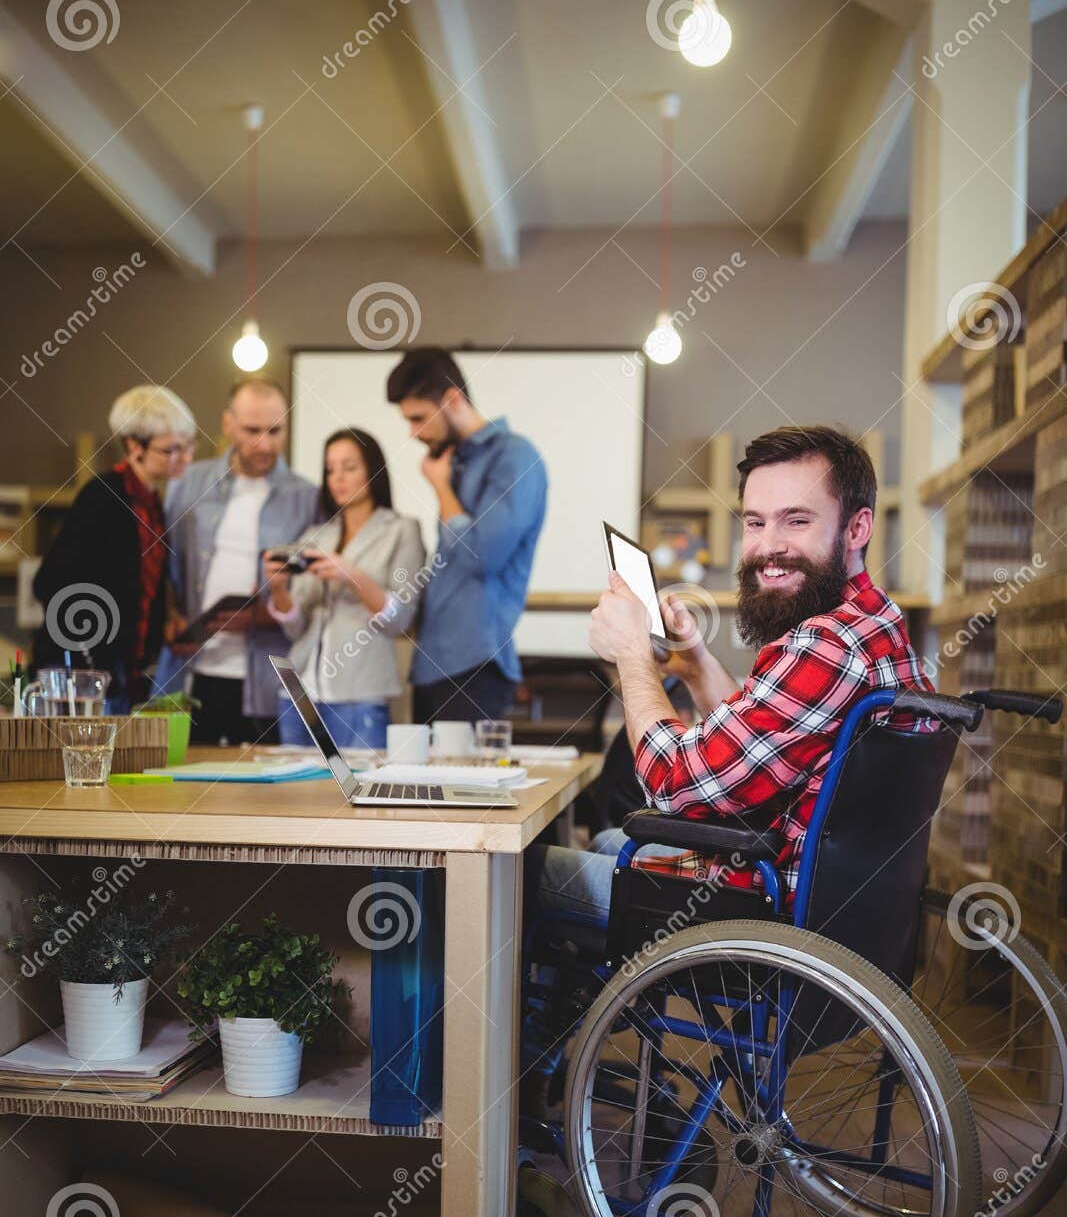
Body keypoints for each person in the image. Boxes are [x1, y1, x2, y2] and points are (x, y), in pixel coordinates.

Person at [528, 424, 934, 935]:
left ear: (856, 529)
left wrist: (632, 655)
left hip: (761, 909)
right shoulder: (877, 627)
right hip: (820, 902)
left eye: (797, 521)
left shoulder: (827, 646)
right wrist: (695, 664)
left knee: (523, 870)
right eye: (756, 522)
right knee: (609, 843)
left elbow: (673, 785)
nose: (769, 547)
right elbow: (758, 751)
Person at [386, 347, 547, 724]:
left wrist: (441, 489)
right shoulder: (456, 459)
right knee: (423, 785)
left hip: (474, 666)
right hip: (432, 664)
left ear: (453, 400)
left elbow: (483, 555)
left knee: (461, 784)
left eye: (419, 418)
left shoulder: (515, 457)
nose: (413, 433)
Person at [160, 378, 318, 744]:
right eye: (252, 430)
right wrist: (169, 614)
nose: (265, 443)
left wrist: (267, 613)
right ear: (227, 424)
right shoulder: (188, 482)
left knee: (262, 795)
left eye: (275, 430)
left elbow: (313, 591)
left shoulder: (306, 496)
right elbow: (165, 560)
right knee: (187, 789)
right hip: (192, 670)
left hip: (267, 678)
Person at [33, 385, 196, 711]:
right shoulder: (103, 497)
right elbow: (51, 583)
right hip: (81, 675)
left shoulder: (151, 503)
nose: (185, 459)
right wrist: (92, 658)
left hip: (124, 672)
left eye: (188, 446)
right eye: (170, 450)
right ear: (133, 446)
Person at [265, 428, 427, 749]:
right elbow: (295, 629)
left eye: (349, 467)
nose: (337, 478)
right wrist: (279, 590)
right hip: (299, 695)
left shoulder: (401, 530)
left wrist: (352, 575)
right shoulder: (316, 535)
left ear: (373, 470)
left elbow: (399, 621)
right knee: (293, 798)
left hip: (361, 694)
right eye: (330, 469)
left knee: (361, 797)